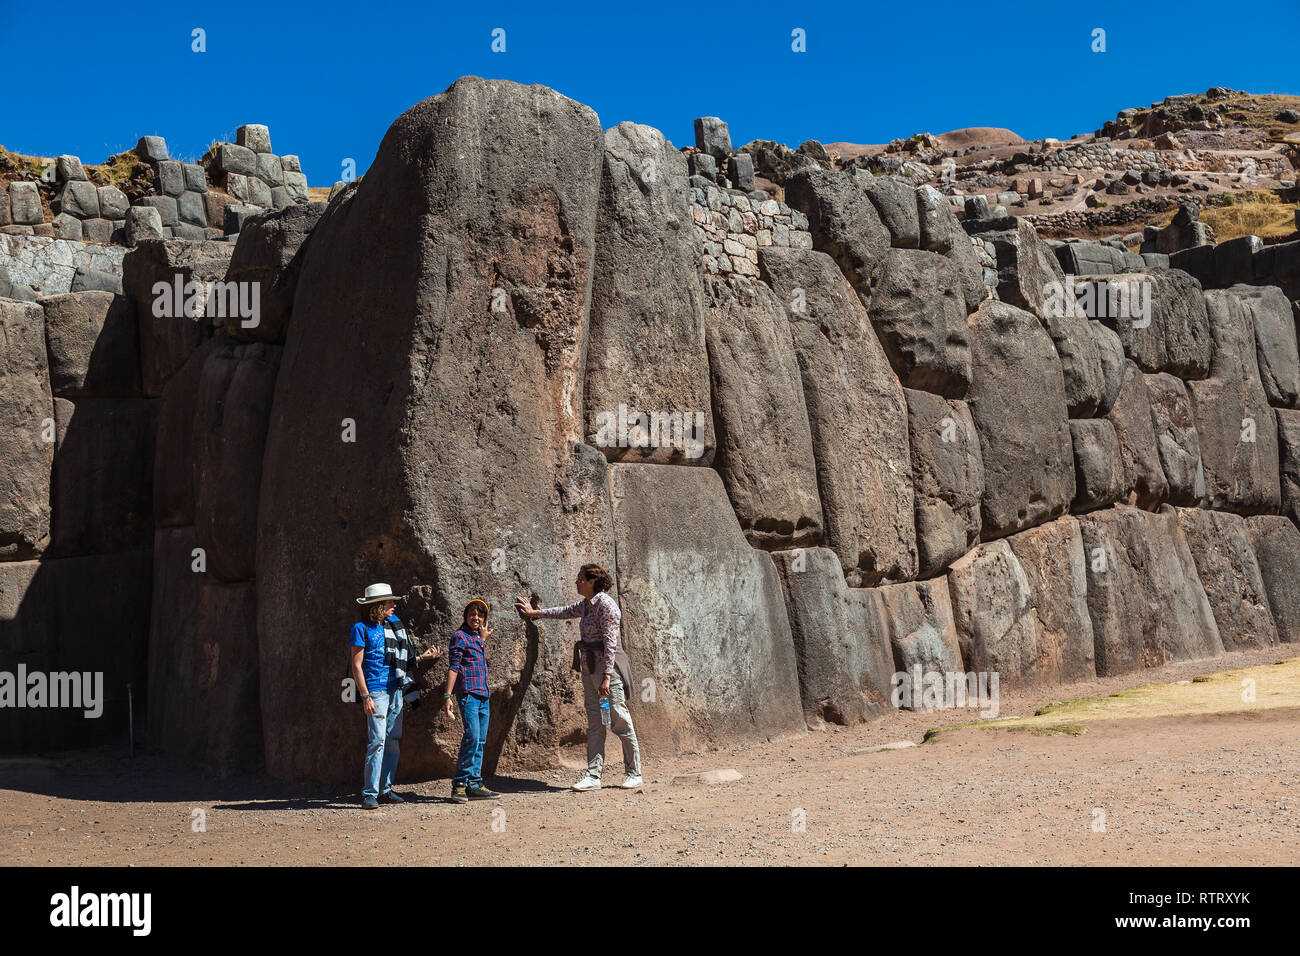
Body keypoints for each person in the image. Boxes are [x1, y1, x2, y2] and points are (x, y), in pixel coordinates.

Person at [516, 564, 642, 792]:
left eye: (580, 579)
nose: (576, 582)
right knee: (595, 722)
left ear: (592, 581)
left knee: (620, 720)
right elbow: (564, 611)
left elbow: (611, 644)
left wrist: (605, 678)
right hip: (589, 669)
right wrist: (534, 613)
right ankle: (593, 776)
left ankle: (634, 773)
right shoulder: (586, 605)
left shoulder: (607, 606)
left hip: (607, 670)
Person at [350, 583, 440, 810]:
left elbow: (399, 661)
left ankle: (386, 789)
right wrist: (365, 696)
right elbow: (356, 666)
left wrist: (421, 658)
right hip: (376, 692)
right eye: (390, 602)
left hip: (396, 690)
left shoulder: (392, 627)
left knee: (392, 741)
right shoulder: (360, 629)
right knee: (377, 741)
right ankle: (370, 793)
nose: (394, 605)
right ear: (378, 605)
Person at [443, 599, 500, 803]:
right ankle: (459, 784)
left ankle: (474, 784)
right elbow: (454, 667)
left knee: (481, 741)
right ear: (465, 615)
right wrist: (448, 695)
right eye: (472, 614)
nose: (476, 618)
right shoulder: (459, 637)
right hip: (468, 694)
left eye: (480, 615)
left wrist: (482, 639)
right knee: (472, 737)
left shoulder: (477, 638)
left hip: (483, 695)